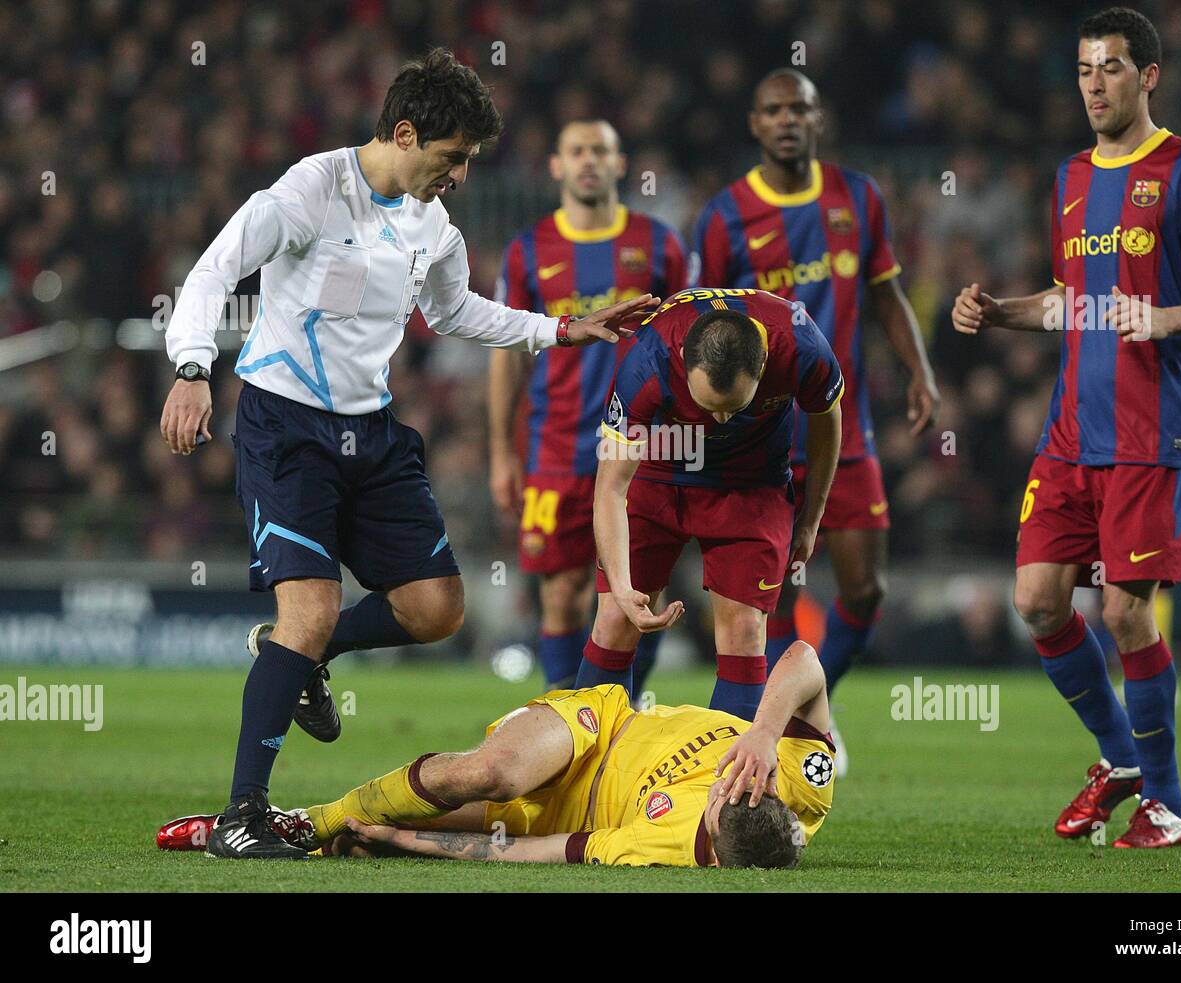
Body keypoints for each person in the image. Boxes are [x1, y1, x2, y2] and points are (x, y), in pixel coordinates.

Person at [159, 48, 655, 860]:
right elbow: (213, 273)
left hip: (374, 432)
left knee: (437, 610)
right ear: (405, 131)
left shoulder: (434, 225)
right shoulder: (307, 192)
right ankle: (242, 812)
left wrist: (559, 329)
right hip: (287, 428)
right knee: (309, 609)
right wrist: (191, 367)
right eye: (453, 157)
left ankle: (306, 655)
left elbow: (457, 310)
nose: (459, 175)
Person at [950, 7, 1181, 848]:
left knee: (1129, 616)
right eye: (1086, 68)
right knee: (1036, 599)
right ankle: (1121, 757)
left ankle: (1166, 807)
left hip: (1152, 433)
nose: (1095, 83)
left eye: (1112, 67)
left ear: (1148, 76)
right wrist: (1000, 312)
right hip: (1071, 432)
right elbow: (1073, 301)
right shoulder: (1067, 179)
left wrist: (1169, 319)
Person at [693, 69, 938, 750]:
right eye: (773, 110)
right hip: (760, 439)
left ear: (817, 117)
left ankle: (805, 700)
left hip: (842, 428)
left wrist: (919, 372)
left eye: (798, 108)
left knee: (864, 590)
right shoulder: (725, 216)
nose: (787, 120)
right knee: (769, 602)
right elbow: (698, 327)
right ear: (754, 123)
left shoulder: (858, 198)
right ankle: (784, 729)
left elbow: (886, 295)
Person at [298, 639, 835, 868]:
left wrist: (408, 842)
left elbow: (537, 850)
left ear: (716, 857)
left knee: (371, 834)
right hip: (598, 730)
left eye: (714, 802)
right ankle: (312, 823)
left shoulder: (671, 849)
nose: (719, 784)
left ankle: (297, 827)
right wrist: (764, 732)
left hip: (553, 815)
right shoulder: (805, 782)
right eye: (733, 783)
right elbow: (804, 659)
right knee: (492, 772)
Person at [576, 287, 843, 721]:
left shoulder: (801, 346)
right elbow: (610, 489)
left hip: (751, 481)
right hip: (658, 472)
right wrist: (621, 591)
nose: (720, 419)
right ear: (683, 359)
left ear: (763, 365)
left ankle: (723, 786)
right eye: (707, 405)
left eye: (733, 407)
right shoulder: (649, 358)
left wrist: (811, 519)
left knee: (743, 631)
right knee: (614, 621)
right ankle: (586, 767)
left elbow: (827, 422)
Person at [489, 119, 688, 697]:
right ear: (556, 165)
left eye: (600, 150)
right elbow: (508, 353)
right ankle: (563, 719)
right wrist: (503, 452)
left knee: (635, 589)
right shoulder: (529, 251)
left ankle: (618, 711)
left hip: (645, 442)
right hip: (557, 443)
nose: (589, 161)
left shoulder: (661, 245)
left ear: (620, 163)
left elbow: (688, 338)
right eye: (576, 150)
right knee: (561, 592)